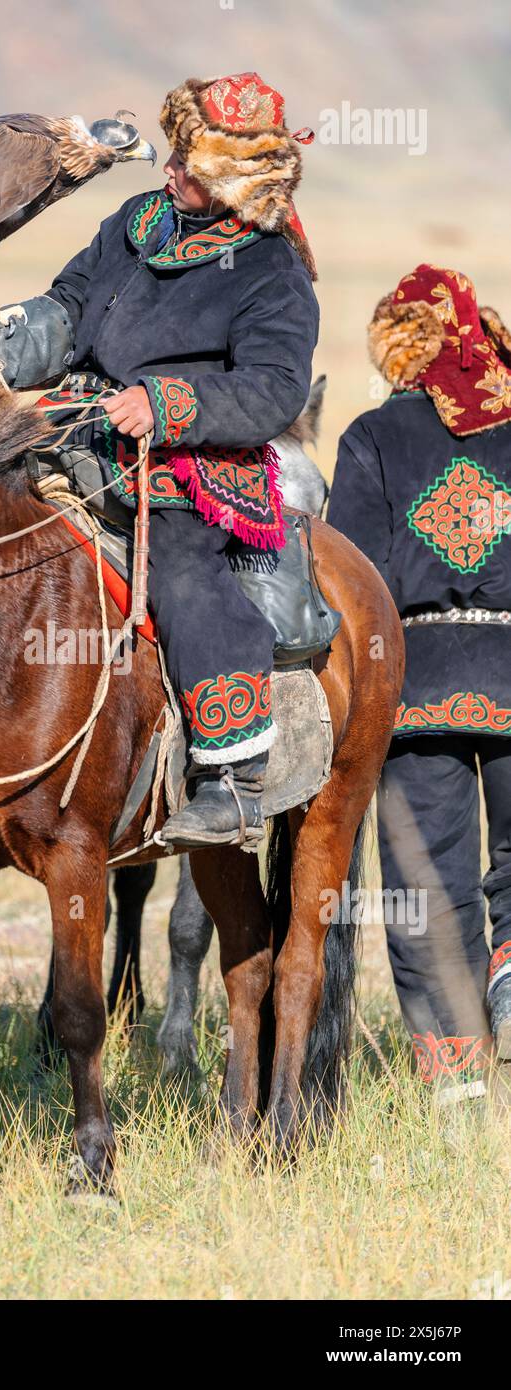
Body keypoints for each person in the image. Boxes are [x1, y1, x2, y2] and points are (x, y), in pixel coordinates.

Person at [0, 71, 319, 874]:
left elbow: (275, 388)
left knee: (180, 577)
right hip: (77, 435)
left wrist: (169, 402)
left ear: (232, 183)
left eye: (190, 166)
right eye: (174, 155)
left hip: (190, 465)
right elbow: (67, 312)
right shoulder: (136, 223)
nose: (169, 171)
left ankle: (231, 770)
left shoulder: (272, 271)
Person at [327, 264, 511, 1102]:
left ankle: (457, 1085)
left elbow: (350, 581)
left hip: (413, 690)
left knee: (428, 885)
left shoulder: (370, 436)